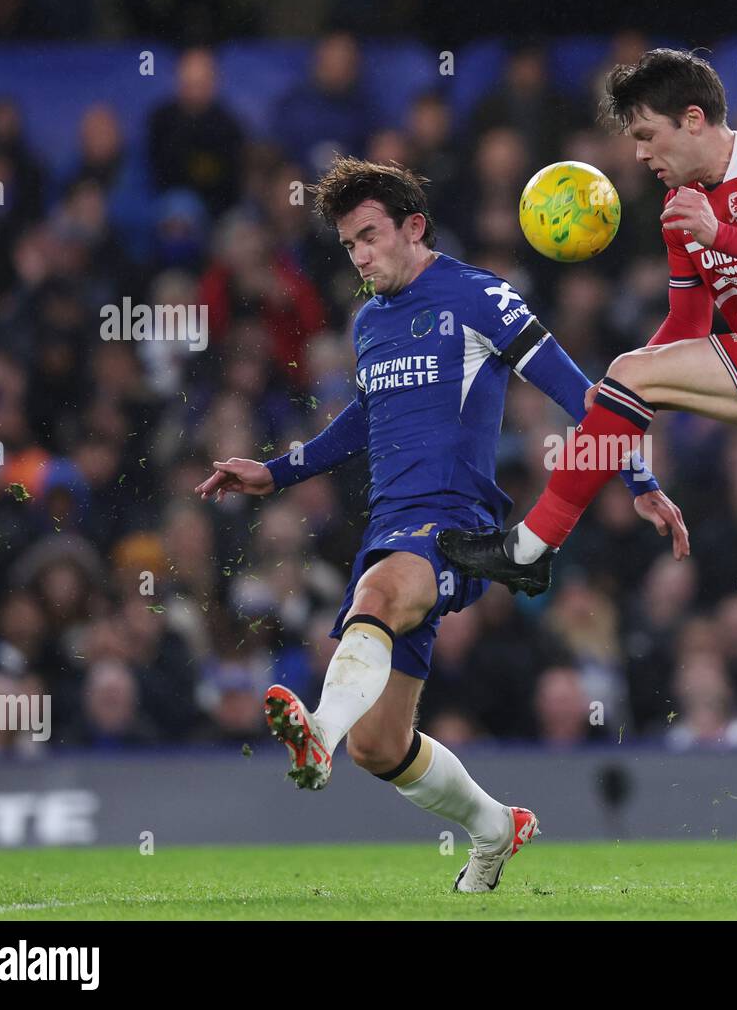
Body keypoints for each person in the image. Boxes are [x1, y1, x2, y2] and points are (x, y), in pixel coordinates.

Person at [439, 48, 737, 884]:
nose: (639, 155)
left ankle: (531, 549)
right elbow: (685, 329)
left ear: (694, 120)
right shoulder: (679, 212)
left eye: (647, 135)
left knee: (633, 373)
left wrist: (722, 238)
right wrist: (615, 419)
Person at [194, 158, 685, 892]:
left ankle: (317, 733)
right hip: (391, 527)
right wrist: (278, 470)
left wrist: (638, 478)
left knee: (380, 596)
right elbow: (365, 416)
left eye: (369, 237)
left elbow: (578, 391)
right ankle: (493, 826)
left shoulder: (479, 295)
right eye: (349, 246)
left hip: (456, 526)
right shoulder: (369, 322)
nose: (360, 257)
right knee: (382, 744)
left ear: (413, 226)